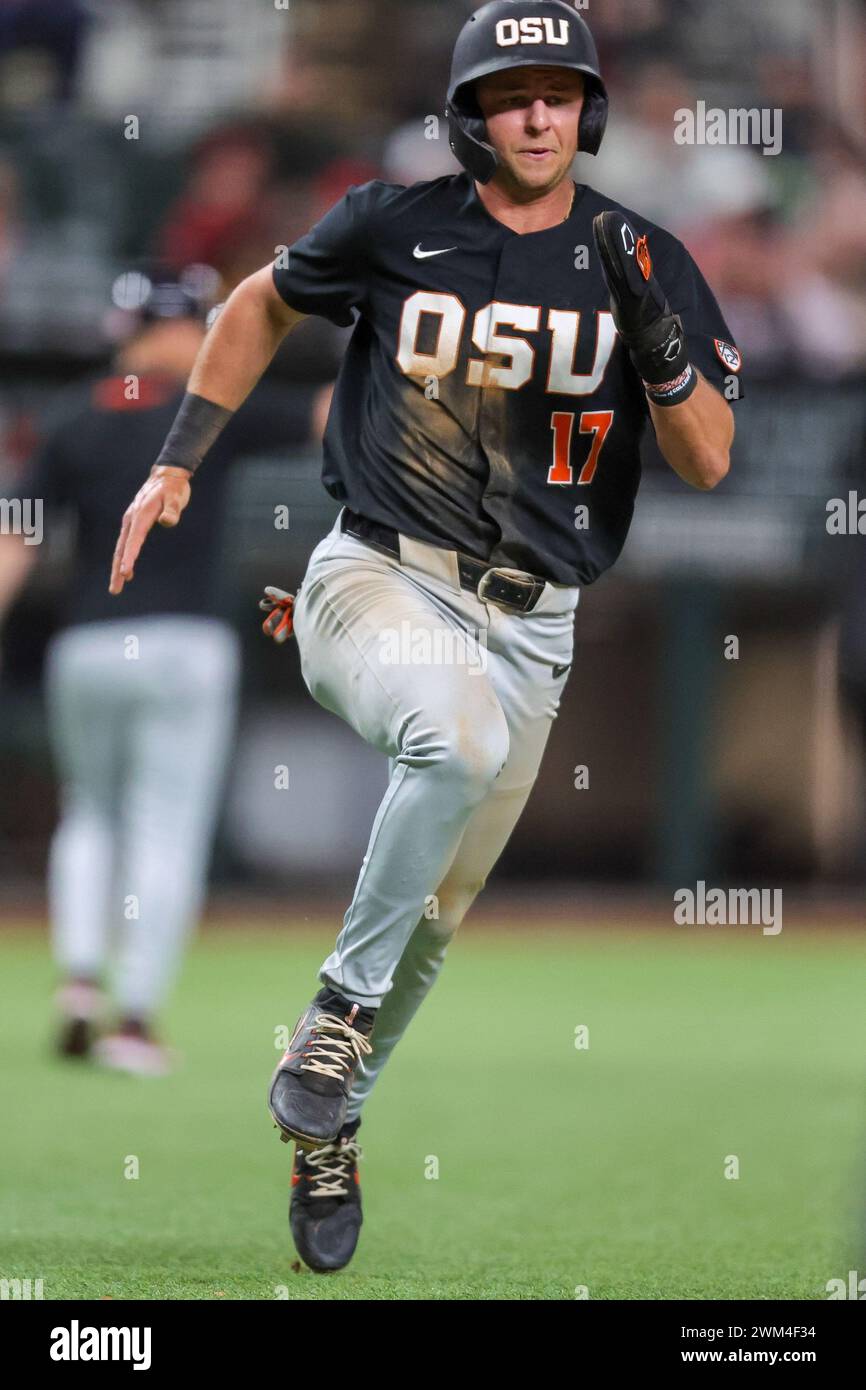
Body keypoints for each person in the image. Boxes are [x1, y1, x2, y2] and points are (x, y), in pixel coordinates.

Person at [108, 0, 742, 1268]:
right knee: (446, 744)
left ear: (589, 106)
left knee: (437, 921)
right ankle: (332, 1013)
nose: (538, 112)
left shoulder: (642, 251)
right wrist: (177, 458)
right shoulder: (394, 223)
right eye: (512, 93)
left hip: (536, 625)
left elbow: (711, 457)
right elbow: (252, 306)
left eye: (558, 90)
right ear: (469, 114)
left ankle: (328, 1122)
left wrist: (661, 342)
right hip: (375, 578)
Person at [0, 274, 329, 1074]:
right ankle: (135, 1019)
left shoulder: (73, 413)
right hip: (184, 647)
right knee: (166, 828)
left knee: (89, 816)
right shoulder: (209, 406)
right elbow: (328, 415)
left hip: (87, 646)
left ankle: (80, 979)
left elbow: (15, 536)